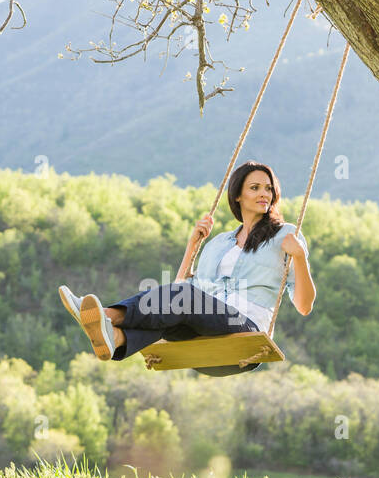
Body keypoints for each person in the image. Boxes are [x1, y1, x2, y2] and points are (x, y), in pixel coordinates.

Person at [58, 161, 316, 376]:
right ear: (238, 195)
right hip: (208, 340)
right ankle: (116, 339)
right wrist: (193, 245)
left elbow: (305, 306)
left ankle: (103, 315)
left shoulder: (285, 236)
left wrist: (300, 257)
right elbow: (180, 289)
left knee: (184, 300)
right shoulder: (219, 244)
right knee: (171, 310)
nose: (264, 194)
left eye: (268, 188)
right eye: (255, 187)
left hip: (246, 337)